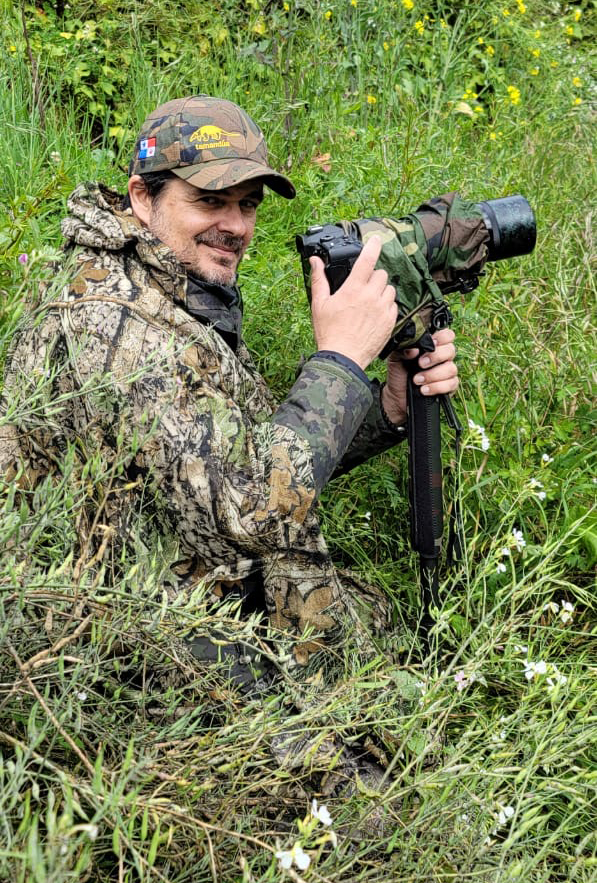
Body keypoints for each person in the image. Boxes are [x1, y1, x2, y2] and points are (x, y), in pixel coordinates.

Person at [1, 95, 458, 685]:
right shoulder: (114, 321)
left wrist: (388, 405)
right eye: (209, 201)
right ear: (144, 197)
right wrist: (341, 358)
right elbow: (253, 504)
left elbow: (253, 452)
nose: (235, 226)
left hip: (169, 565)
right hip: (112, 629)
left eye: (247, 205)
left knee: (382, 627)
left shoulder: (163, 281)